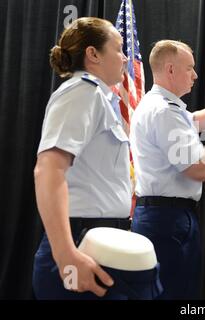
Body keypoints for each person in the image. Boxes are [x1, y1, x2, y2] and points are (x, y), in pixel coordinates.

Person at [33, 17, 161, 300]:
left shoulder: (100, 98)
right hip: (81, 245)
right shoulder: (82, 92)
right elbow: (48, 170)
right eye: (118, 48)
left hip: (103, 242)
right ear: (93, 54)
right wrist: (65, 254)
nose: (125, 57)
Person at [129, 40, 205, 299]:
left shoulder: (161, 105)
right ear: (170, 70)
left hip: (162, 215)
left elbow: (192, 121)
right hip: (167, 220)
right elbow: (198, 169)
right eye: (190, 68)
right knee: (176, 293)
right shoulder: (164, 112)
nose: (195, 75)